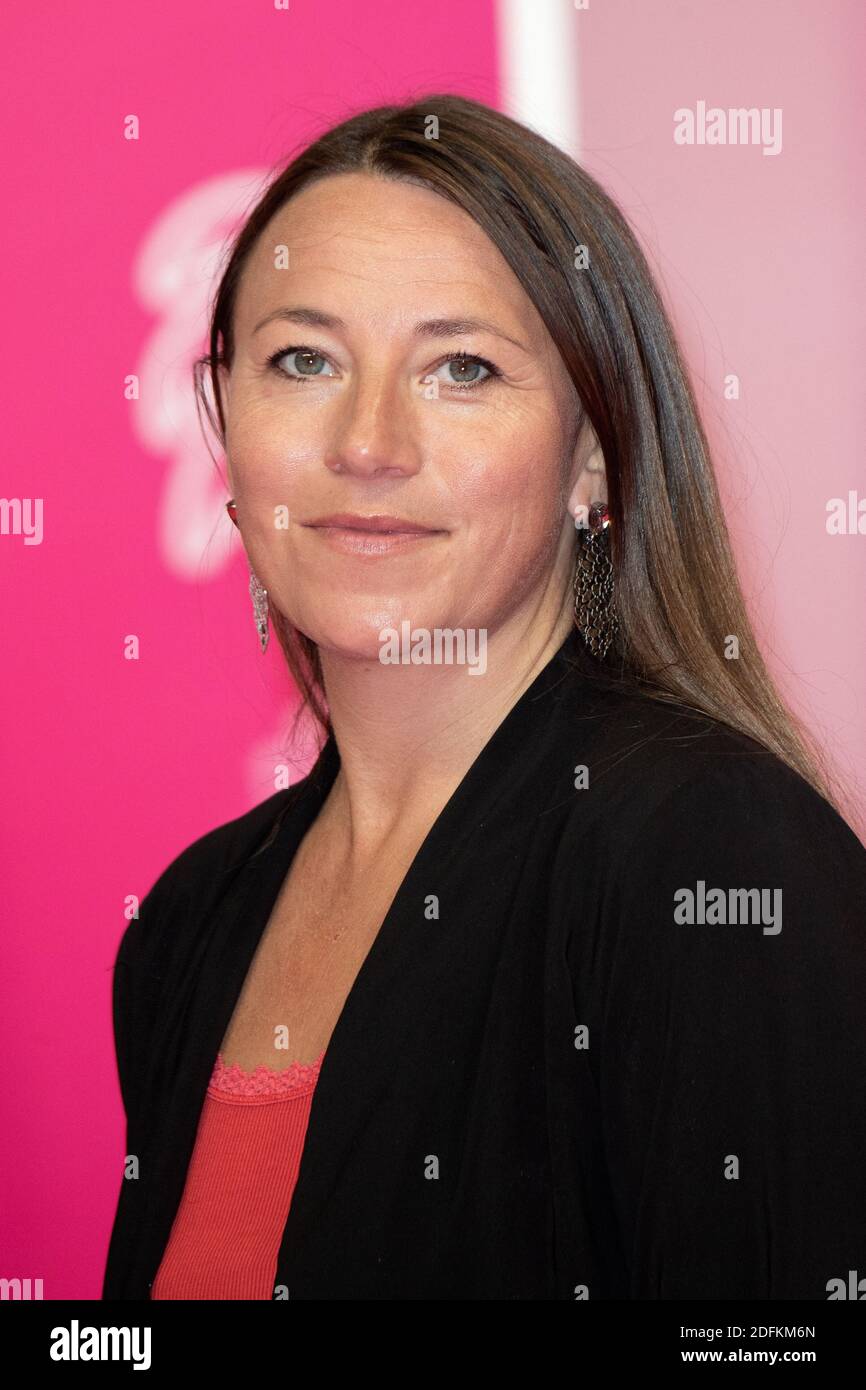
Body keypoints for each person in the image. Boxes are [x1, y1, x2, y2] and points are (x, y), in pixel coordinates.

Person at [102, 94, 866, 1301]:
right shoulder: (191, 921)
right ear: (223, 421)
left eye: (461, 369)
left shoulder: (709, 857)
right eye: (303, 360)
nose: (368, 442)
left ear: (592, 456)